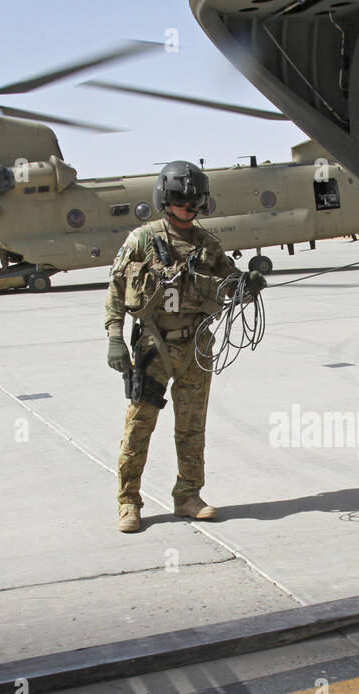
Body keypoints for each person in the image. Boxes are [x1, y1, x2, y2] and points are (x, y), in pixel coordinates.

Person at [105, 160, 265, 533]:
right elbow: (115, 289)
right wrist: (114, 337)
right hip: (153, 346)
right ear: (166, 200)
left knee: (192, 427)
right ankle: (129, 502)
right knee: (139, 426)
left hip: (198, 346)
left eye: (194, 202)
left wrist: (249, 285)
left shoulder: (208, 244)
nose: (188, 208)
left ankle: (188, 496)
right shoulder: (142, 239)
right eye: (180, 201)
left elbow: (232, 285)